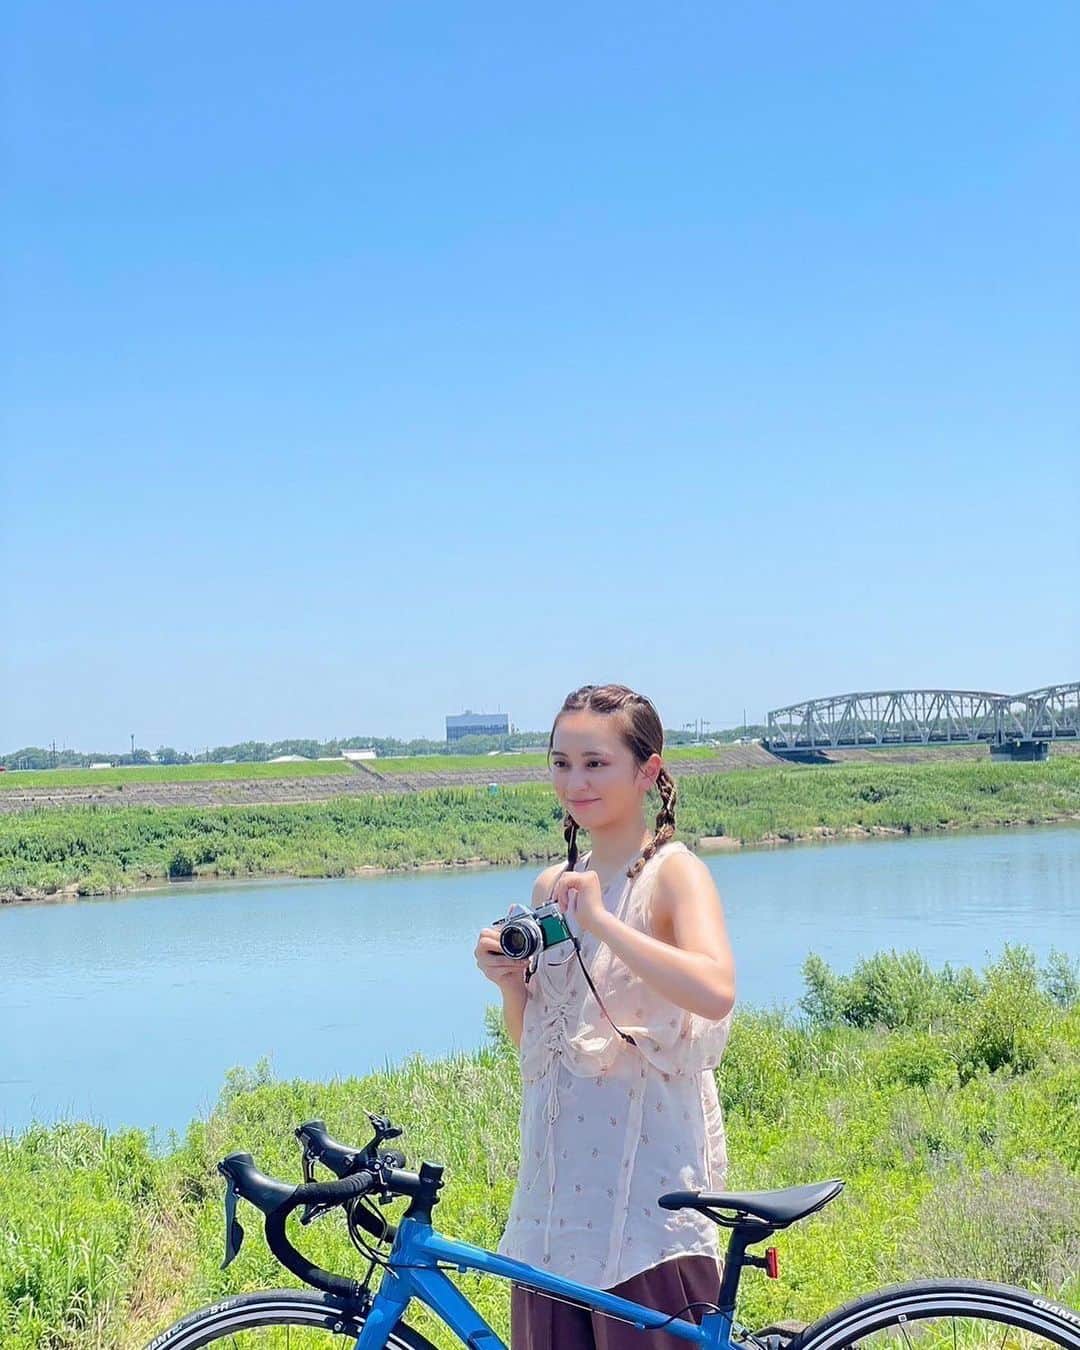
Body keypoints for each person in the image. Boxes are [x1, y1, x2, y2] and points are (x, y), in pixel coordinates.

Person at [474, 683, 737, 1350]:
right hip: (553, 1214)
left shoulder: (673, 874)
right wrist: (511, 986)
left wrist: (601, 923)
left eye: (595, 763)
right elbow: (542, 1047)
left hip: (645, 1216)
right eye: (561, 763)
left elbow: (715, 990)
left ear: (648, 771)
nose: (575, 782)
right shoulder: (550, 887)